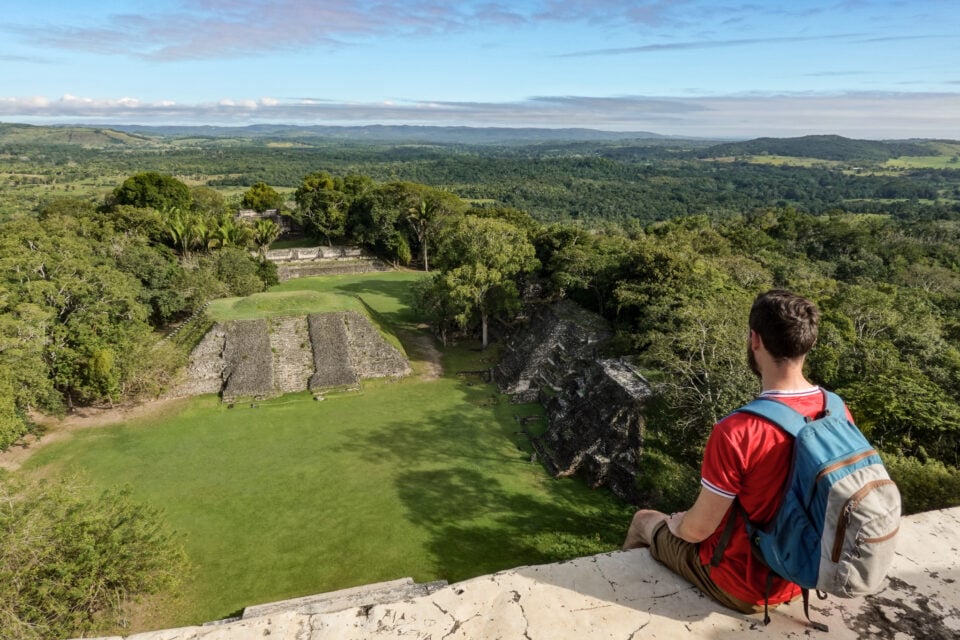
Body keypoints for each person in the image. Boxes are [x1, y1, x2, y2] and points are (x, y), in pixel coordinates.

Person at [623, 289, 844, 615]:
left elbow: (698, 531)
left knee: (645, 520)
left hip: (742, 585)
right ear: (808, 343)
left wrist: (677, 523)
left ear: (755, 340)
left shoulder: (738, 430)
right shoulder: (836, 410)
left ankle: (622, 596)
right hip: (805, 575)